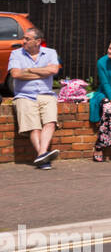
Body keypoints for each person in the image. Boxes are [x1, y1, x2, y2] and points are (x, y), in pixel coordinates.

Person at [7, 27, 60, 169]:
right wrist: (43, 72)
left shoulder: (50, 53)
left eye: (27, 39)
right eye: (23, 38)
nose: (23, 41)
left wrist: (29, 70)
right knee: (33, 126)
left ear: (37, 41)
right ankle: (44, 156)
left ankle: (41, 155)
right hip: (24, 96)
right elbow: (16, 74)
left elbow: (54, 70)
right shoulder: (16, 54)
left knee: (50, 122)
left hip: (46, 94)